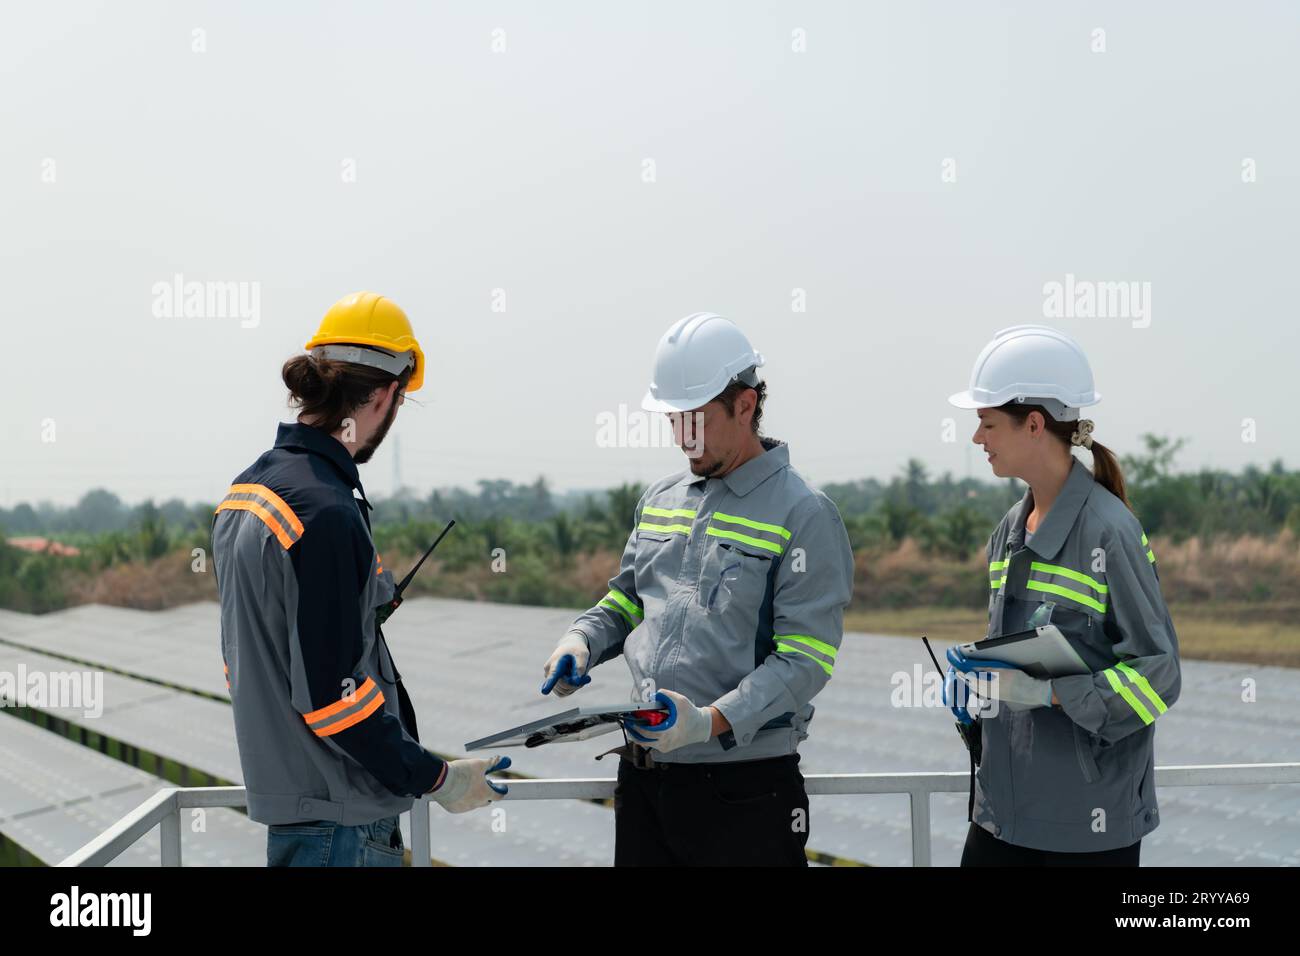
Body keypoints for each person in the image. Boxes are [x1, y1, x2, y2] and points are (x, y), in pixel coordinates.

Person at [540, 312, 854, 866]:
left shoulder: (804, 512)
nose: (684, 438)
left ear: (746, 405)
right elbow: (627, 600)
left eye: (697, 421)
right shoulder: (660, 499)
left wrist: (708, 722)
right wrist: (581, 639)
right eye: (673, 421)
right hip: (643, 783)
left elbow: (807, 659)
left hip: (743, 789)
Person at [212, 291, 509, 867]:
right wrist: (436, 778)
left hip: (297, 810)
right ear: (383, 394)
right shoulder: (324, 510)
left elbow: (242, 659)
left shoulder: (245, 494)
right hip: (342, 825)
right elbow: (332, 697)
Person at [944, 324, 1181, 866]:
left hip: (1084, 830)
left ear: (1033, 424)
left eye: (987, 424)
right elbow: (1020, 652)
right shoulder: (1010, 528)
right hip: (1001, 816)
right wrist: (980, 688)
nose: (978, 439)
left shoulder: (1109, 531)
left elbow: (1159, 674)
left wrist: (1049, 695)